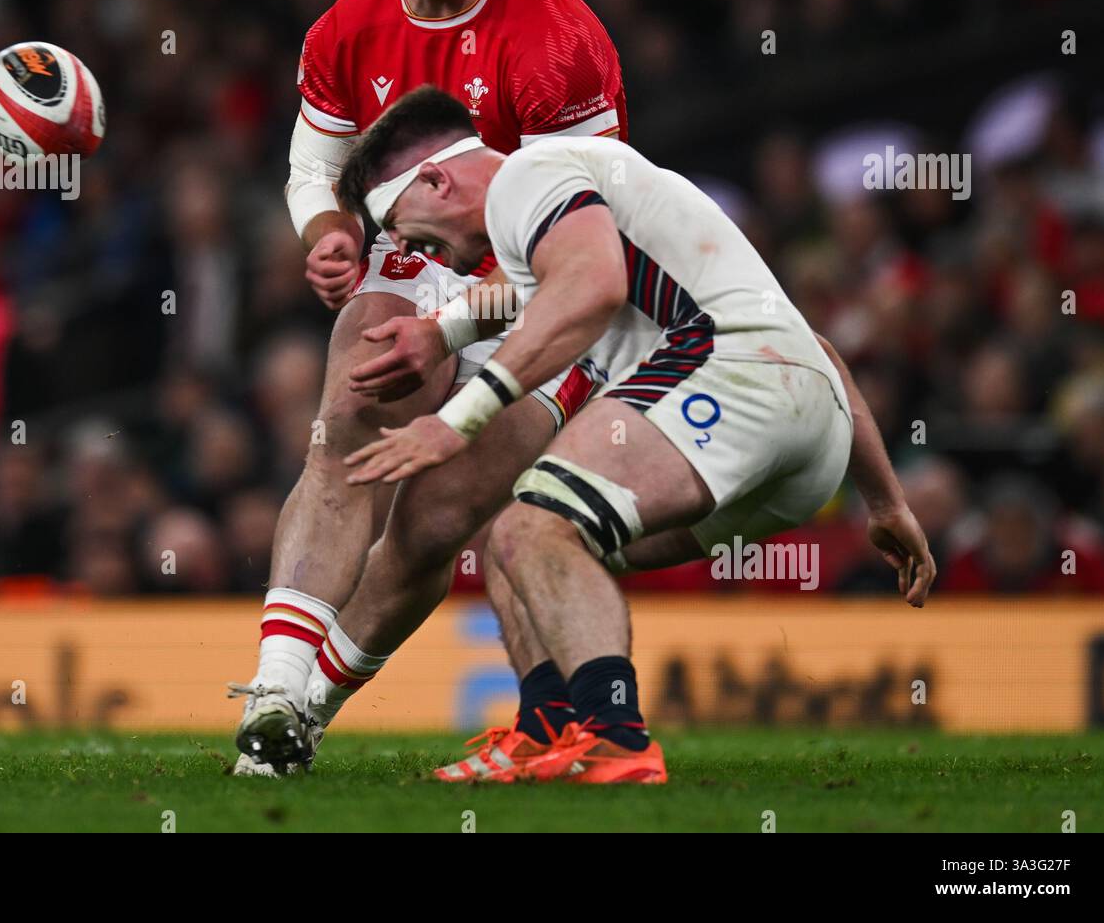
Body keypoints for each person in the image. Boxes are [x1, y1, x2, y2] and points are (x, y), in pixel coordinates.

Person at [341, 85, 937, 783]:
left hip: (733, 377)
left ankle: (616, 737)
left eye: (413, 234)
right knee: (517, 544)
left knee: (531, 531)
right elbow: (816, 352)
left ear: (437, 179)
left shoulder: (527, 178)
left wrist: (456, 419)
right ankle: (547, 732)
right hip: (809, 439)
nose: (427, 255)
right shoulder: (595, 206)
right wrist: (886, 501)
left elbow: (590, 286)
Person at [230, 0, 628, 775]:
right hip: (423, 259)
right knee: (346, 422)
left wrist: (449, 328)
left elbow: (571, 261)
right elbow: (311, 162)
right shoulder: (346, 25)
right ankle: (276, 686)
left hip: (543, 294)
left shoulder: (557, 41)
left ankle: (303, 714)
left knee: (438, 520)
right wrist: (326, 234)